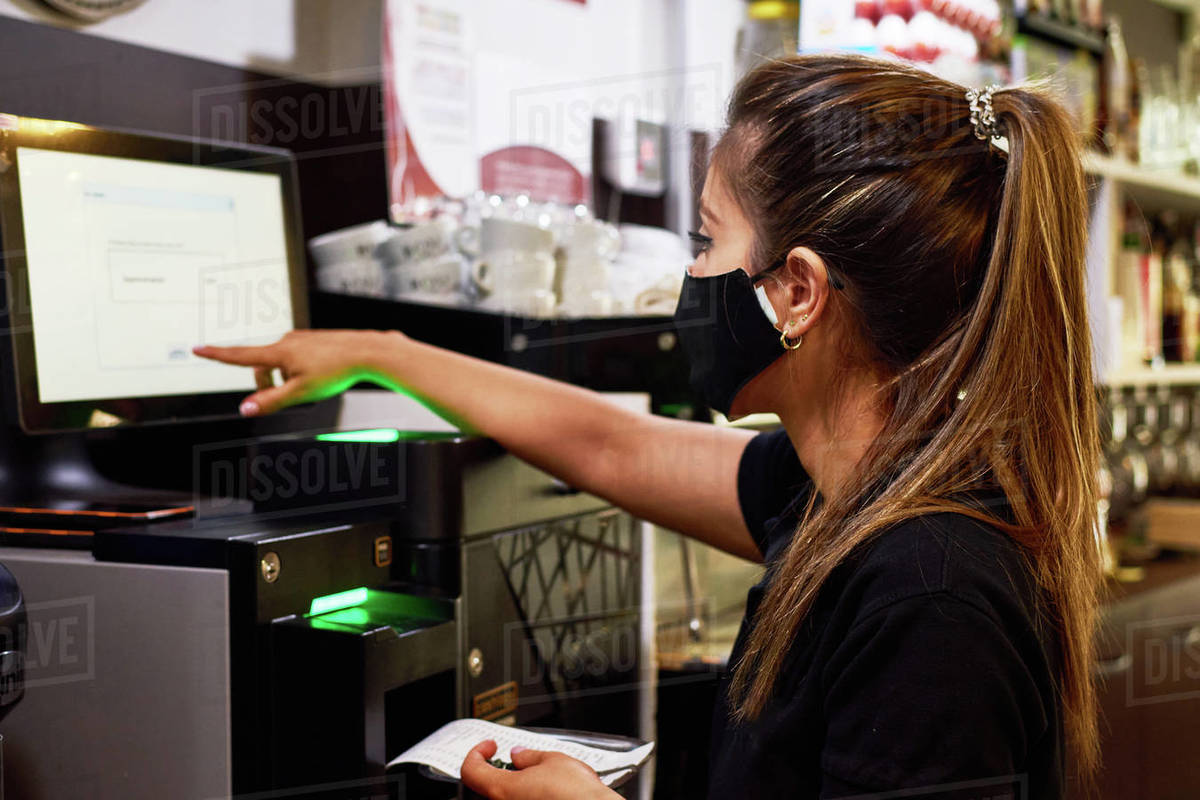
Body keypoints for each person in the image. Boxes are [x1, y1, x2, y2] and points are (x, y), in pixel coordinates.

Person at [196, 54, 1101, 799]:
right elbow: (610, 445)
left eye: (707, 241)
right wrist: (385, 353)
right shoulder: (841, 490)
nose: (691, 275)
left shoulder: (931, 593)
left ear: (797, 292)